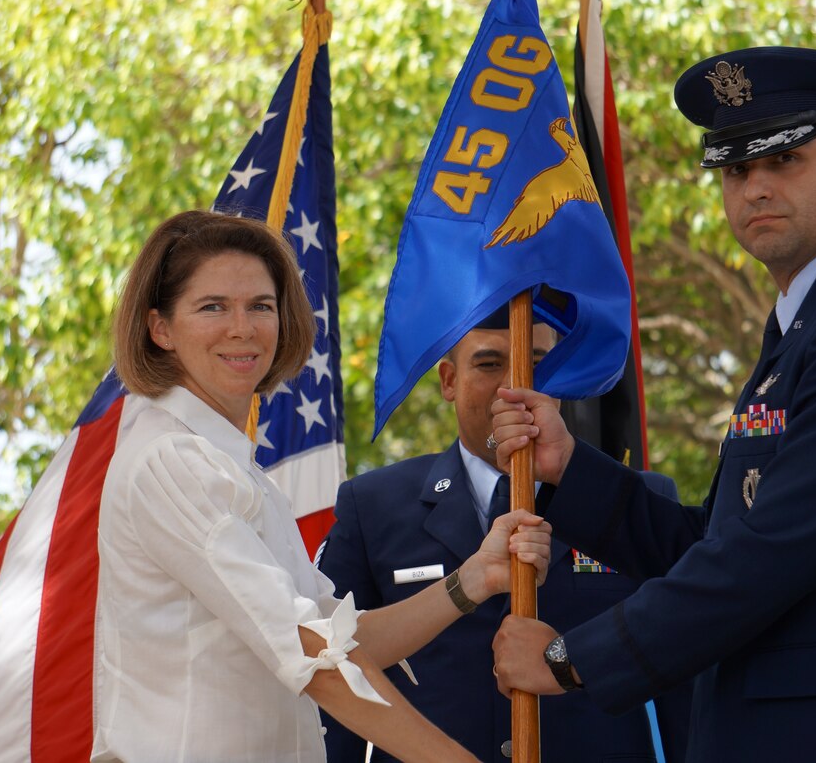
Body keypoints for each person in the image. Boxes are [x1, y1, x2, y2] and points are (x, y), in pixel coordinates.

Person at [488, 47, 816, 762]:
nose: (757, 188)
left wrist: (570, 658)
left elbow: (767, 554)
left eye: (787, 161)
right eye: (738, 170)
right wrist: (570, 469)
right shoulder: (809, 325)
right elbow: (718, 539)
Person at [91, 210, 553, 763]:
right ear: (159, 327)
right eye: (213, 306)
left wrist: (472, 580)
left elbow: (342, 637)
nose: (242, 328)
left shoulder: (223, 461)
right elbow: (314, 653)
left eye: (261, 306)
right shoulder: (171, 459)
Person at [317, 309, 690, 762]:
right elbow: (330, 678)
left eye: (537, 364)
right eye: (490, 364)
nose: (513, 387)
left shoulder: (637, 503)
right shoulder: (373, 506)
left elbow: (684, 676)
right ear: (449, 380)